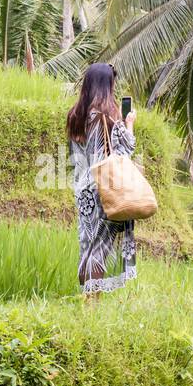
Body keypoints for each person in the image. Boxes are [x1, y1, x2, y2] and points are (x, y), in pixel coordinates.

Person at [67, 62, 137, 296]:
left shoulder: (75, 115)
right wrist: (129, 125)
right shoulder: (107, 118)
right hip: (104, 189)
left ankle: (87, 298)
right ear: (106, 86)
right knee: (101, 247)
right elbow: (125, 151)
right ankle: (91, 302)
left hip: (83, 189)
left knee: (87, 246)